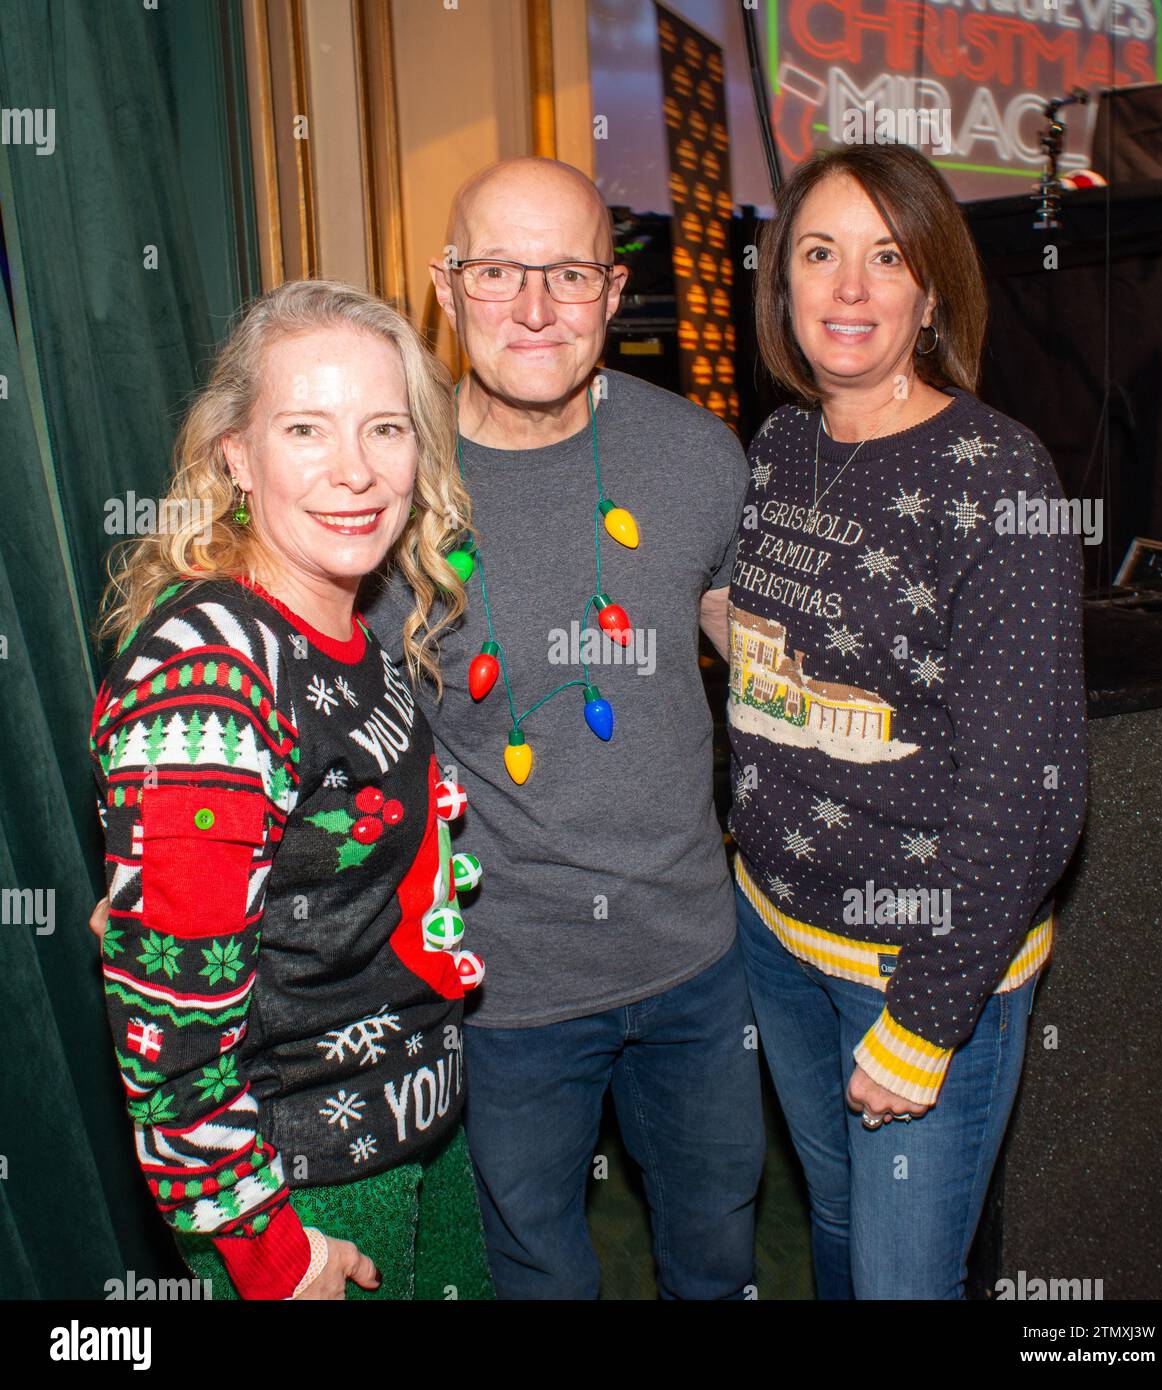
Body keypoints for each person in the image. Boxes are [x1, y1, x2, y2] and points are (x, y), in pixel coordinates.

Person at [359, 156, 764, 1299]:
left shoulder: (696, 454)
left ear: (611, 290)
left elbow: (763, 664)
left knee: (718, 1247)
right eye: (498, 270)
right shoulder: (383, 479)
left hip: (696, 955)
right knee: (537, 1269)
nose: (534, 307)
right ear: (445, 286)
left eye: (568, 272)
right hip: (507, 987)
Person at [724, 142, 1087, 1299]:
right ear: (781, 281)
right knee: (834, 1228)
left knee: (901, 1282)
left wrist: (925, 1019)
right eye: (819, 253)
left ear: (929, 291)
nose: (846, 289)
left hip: (920, 966)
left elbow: (1031, 792)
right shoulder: (781, 445)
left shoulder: (999, 472)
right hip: (776, 935)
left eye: (885, 258)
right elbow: (772, 634)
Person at [88, 279, 494, 1300]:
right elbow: (170, 1017)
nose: (355, 472)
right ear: (236, 455)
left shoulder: (352, 617)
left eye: (385, 428)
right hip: (300, 1186)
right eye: (305, 427)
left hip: (405, 1130)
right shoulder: (212, 673)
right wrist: (266, 1251)